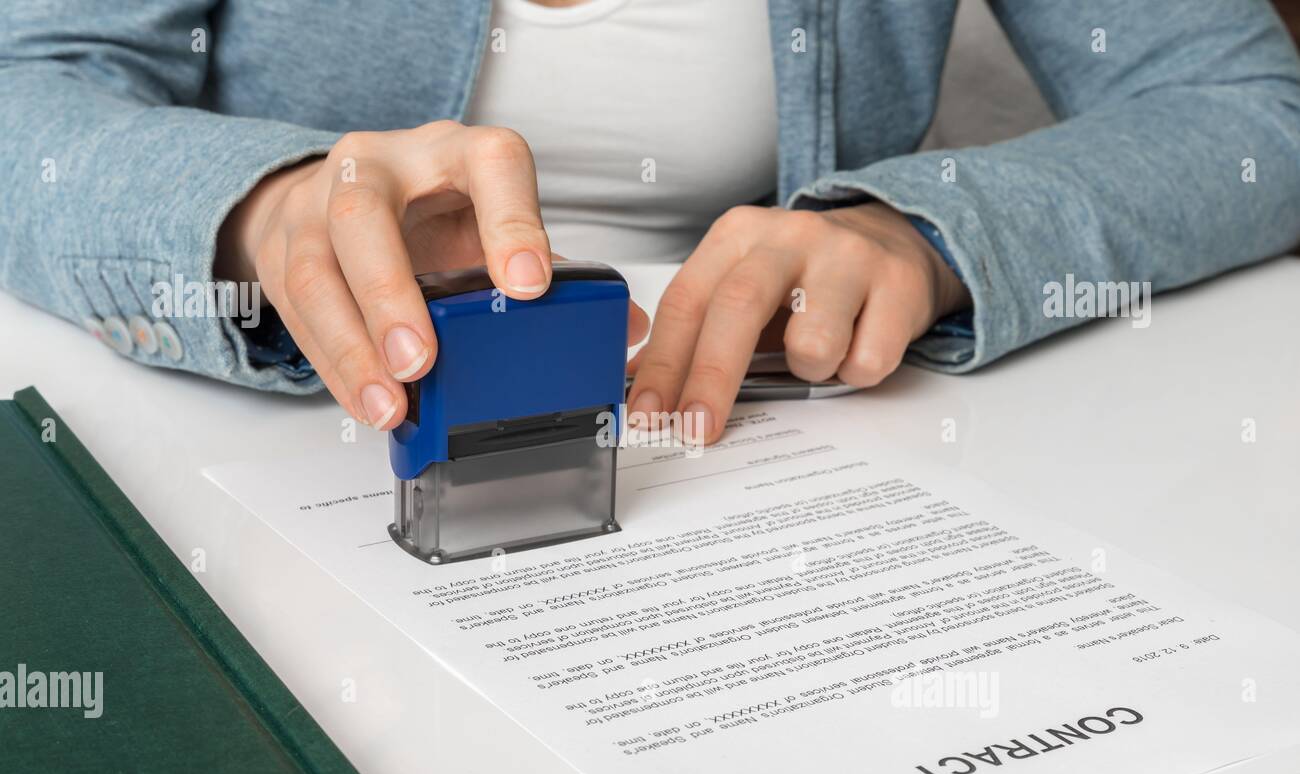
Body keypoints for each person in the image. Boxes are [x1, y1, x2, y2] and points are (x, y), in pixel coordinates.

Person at [2, 0, 1298, 443]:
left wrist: (932, 236)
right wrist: (260, 217)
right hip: (263, 463)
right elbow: (28, 87)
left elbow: (1248, 107)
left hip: (776, 484)